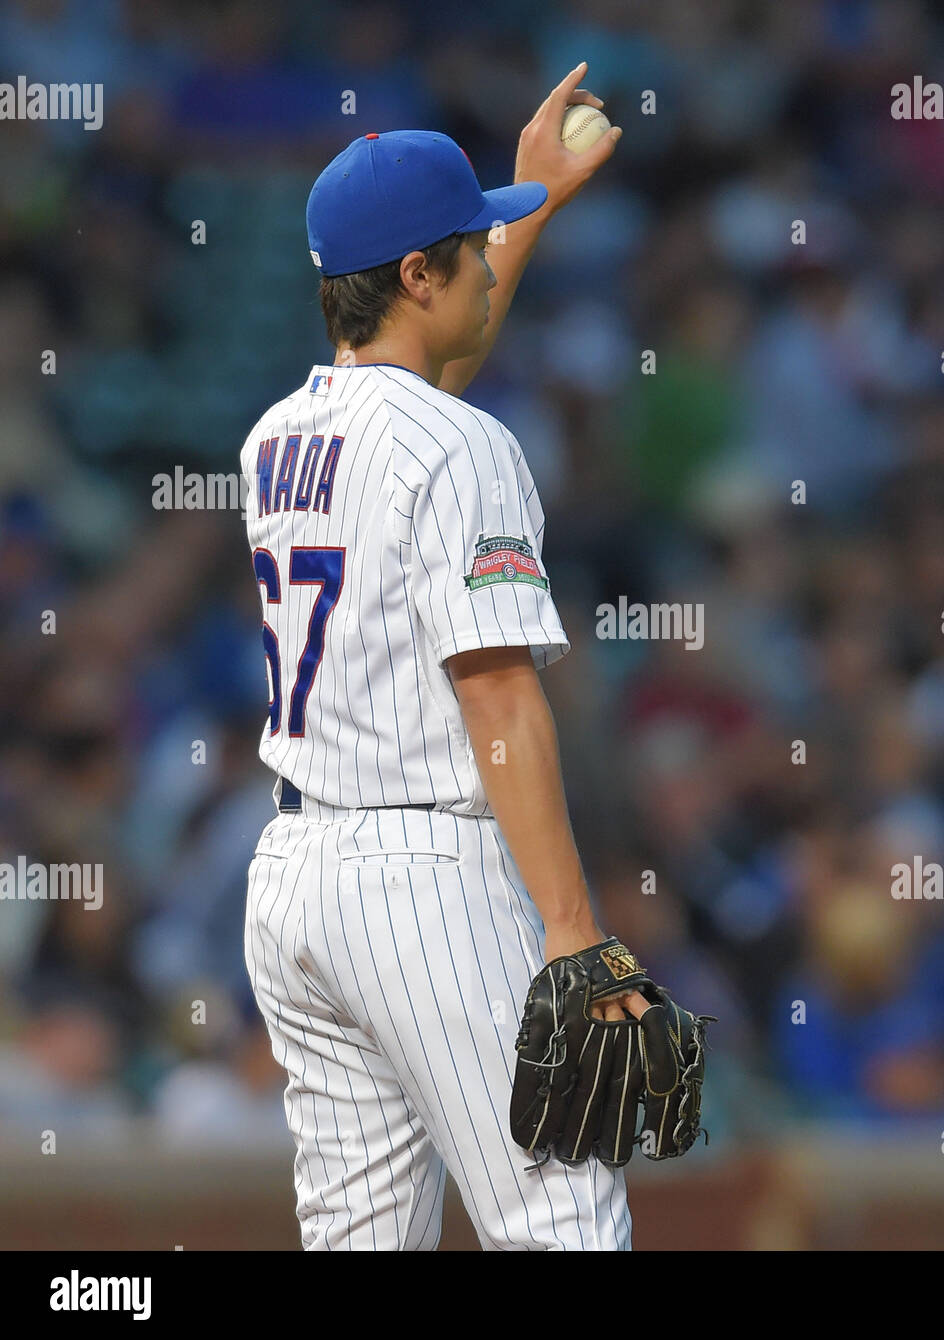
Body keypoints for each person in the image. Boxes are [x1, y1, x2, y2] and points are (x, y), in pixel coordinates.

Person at [239, 65, 643, 1250]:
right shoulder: (463, 444)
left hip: (295, 880)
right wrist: (571, 931)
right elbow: (499, 694)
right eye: (471, 247)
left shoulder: (276, 438)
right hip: (424, 873)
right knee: (563, 1216)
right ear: (418, 274)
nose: (487, 263)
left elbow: (418, 393)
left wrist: (535, 204)